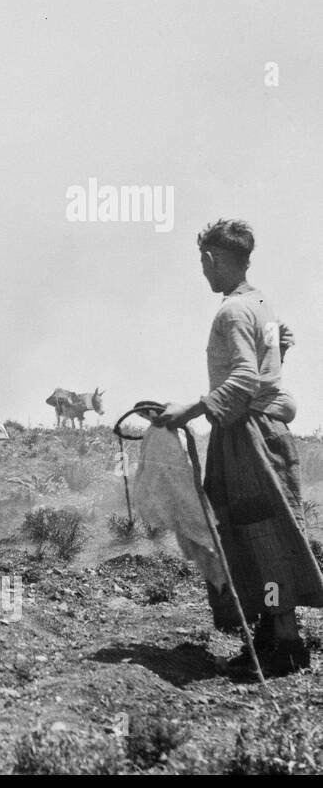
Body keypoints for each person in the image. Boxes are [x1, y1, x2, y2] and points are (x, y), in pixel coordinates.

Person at [155, 219, 323, 677]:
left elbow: (246, 377)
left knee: (258, 534)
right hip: (266, 430)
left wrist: (189, 411)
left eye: (203, 263)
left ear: (211, 259)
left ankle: (285, 644)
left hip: (246, 436)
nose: (203, 272)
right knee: (265, 531)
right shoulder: (262, 303)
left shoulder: (232, 312)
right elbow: (275, 352)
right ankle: (274, 631)